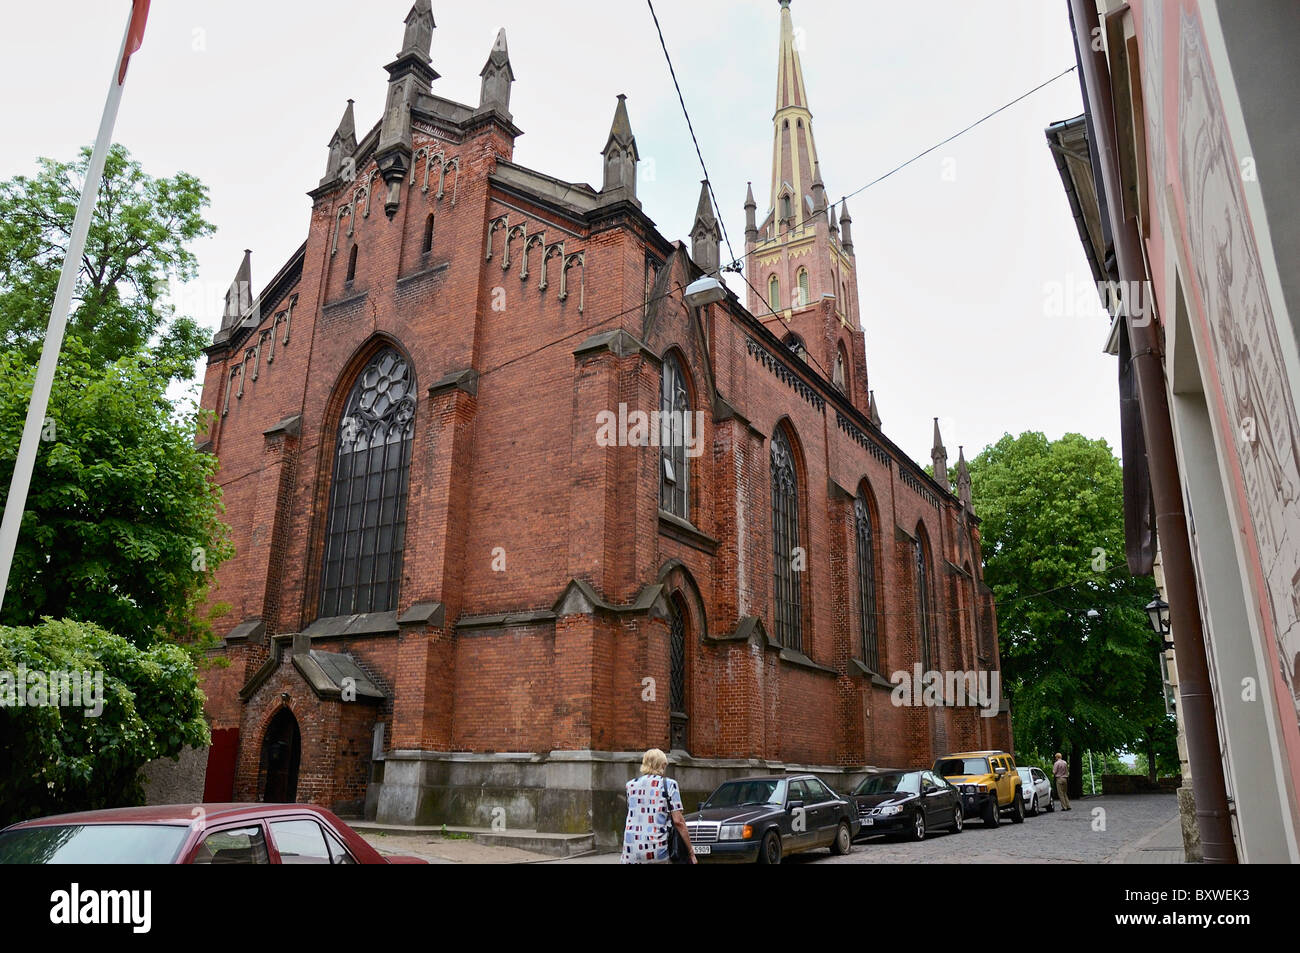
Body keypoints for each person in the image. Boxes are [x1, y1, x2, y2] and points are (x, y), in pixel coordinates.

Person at [622, 748, 696, 864]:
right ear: (662, 765)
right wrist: (691, 852)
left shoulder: (630, 785)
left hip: (631, 850)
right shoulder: (669, 784)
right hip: (656, 848)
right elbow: (678, 821)